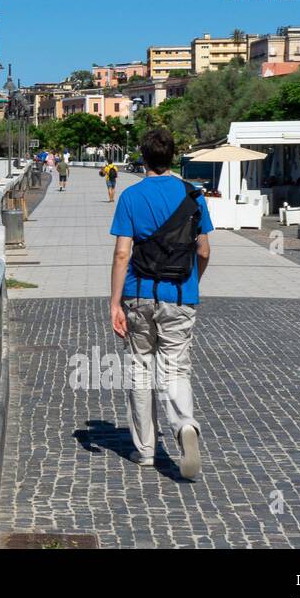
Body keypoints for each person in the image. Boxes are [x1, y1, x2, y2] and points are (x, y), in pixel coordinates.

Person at [108, 127, 213, 479]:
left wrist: (114, 303)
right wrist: (192, 282)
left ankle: (146, 451)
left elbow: (123, 253)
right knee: (176, 368)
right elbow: (204, 250)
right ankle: (184, 425)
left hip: (139, 295)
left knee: (140, 369)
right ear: (171, 156)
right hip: (180, 295)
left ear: (144, 158)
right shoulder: (193, 195)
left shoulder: (130, 196)